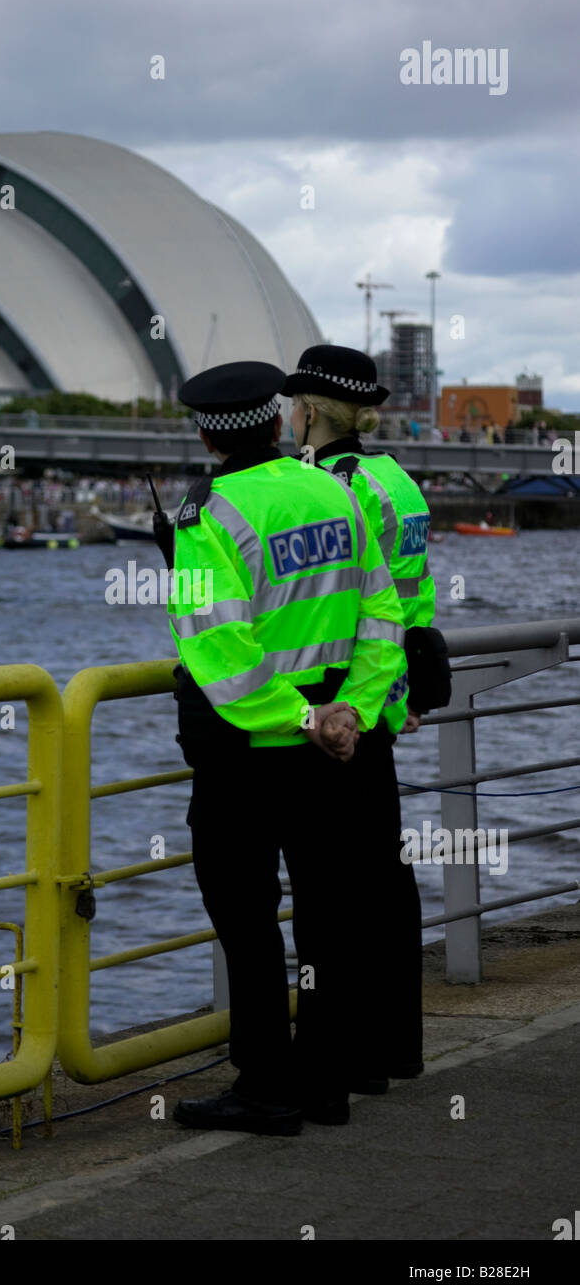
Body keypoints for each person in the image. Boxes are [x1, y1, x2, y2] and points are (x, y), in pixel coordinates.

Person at [166, 361, 407, 1136]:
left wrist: (302, 719)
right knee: (328, 919)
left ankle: (266, 1087)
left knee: (245, 919)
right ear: (277, 422)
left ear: (206, 434)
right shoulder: (337, 493)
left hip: (248, 759)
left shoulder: (207, 517)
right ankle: (327, 1086)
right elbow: (382, 613)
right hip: (332, 754)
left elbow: (222, 654)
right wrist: (351, 715)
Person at [283, 344, 443, 1094]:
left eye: (293, 406)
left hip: (331, 713)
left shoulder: (321, 486)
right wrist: (397, 699)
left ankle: (336, 1059)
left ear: (308, 411)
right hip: (381, 706)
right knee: (385, 880)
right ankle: (394, 1050)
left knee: (328, 891)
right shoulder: (400, 484)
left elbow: (332, 605)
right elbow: (412, 608)